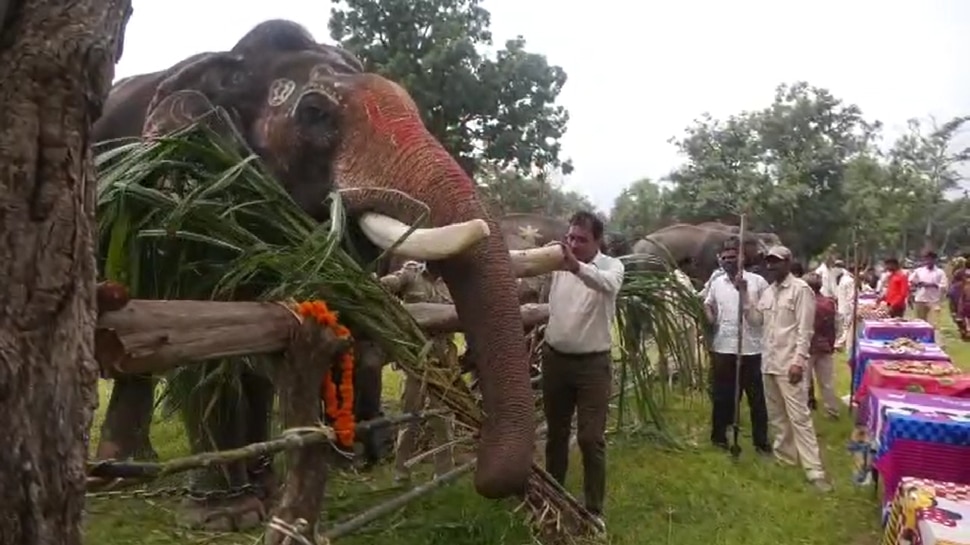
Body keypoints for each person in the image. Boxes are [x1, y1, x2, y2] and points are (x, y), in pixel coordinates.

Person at [543, 211, 624, 530]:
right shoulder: (557, 262)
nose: (573, 244)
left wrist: (573, 265)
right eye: (570, 237)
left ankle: (593, 510)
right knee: (556, 434)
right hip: (555, 360)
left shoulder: (612, 267)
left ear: (598, 241)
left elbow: (604, 284)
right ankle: (552, 498)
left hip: (593, 365)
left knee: (591, 438)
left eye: (581, 239)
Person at [742, 245, 832, 492]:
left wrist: (799, 361)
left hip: (789, 364)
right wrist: (745, 297)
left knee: (799, 417)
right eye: (768, 262)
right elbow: (756, 322)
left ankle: (814, 470)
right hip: (769, 363)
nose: (771, 266)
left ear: (788, 262)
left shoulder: (800, 290)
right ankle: (785, 458)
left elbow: (805, 330)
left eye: (776, 262)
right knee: (777, 417)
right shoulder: (769, 293)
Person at [383, 260, 456, 482]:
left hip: (442, 360)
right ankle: (400, 471)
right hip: (415, 359)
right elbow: (383, 288)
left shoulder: (452, 284)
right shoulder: (410, 274)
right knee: (410, 416)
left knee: (442, 418)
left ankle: (445, 473)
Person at [703, 238, 770, 453]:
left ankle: (761, 442)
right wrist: (709, 316)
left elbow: (760, 319)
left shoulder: (758, 282)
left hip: (751, 348)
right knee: (723, 396)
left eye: (732, 258)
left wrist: (744, 292)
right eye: (724, 259)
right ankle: (719, 437)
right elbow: (708, 304)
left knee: (756, 398)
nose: (728, 262)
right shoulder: (716, 283)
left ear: (742, 258)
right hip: (724, 347)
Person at [803, 273, 840, 419]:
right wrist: (832, 343)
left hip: (808, 347)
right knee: (827, 383)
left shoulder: (806, 304)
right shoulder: (830, 302)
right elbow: (835, 325)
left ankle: (802, 412)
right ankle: (832, 411)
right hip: (825, 346)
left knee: (803, 383)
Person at [909, 250, 948, 327]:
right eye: (927, 259)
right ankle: (920, 337)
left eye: (931, 259)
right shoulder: (919, 271)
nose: (929, 261)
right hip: (920, 299)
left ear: (935, 260)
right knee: (919, 322)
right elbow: (911, 281)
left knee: (932, 323)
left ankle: (930, 337)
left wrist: (933, 285)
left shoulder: (940, 272)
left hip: (933, 300)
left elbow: (944, 285)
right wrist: (917, 284)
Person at [835, 264, 858, 350]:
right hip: (847, 307)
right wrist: (854, 309)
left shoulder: (843, 278)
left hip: (842, 305)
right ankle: (841, 343)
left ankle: (840, 343)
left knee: (845, 326)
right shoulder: (850, 281)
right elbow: (851, 297)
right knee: (847, 327)